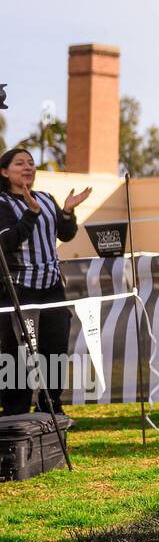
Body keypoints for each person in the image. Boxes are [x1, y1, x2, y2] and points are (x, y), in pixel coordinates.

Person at [0, 148, 91, 415]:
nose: (28, 167)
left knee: (55, 348)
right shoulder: (3, 203)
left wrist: (66, 211)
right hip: (19, 289)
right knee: (19, 353)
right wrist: (30, 214)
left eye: (31, 163)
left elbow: (65, 234)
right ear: (4, 172)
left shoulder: (45, 198)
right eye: (20, 163)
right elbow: (6, 243)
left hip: (52, 287)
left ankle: (51, 406)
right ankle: (15, 411)